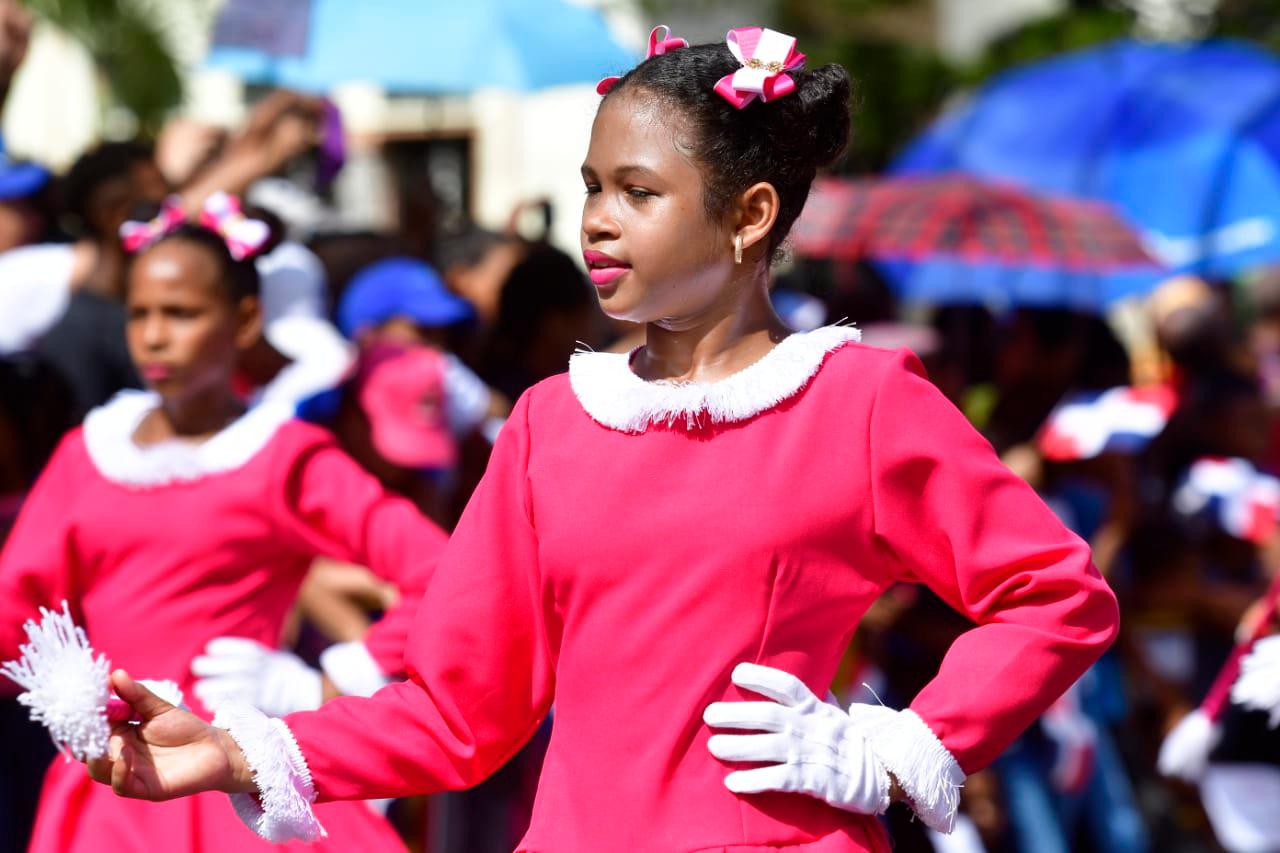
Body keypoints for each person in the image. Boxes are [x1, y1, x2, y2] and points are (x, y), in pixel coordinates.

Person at [88, 27, 1118, 851]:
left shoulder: (854, 401)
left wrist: (895, 747)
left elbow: (1052, 596)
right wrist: (228, 748)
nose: (596, 220)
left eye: (636, 191)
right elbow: (458, 711)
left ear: (748, 214)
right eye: (589, 186)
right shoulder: (548, 423)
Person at [0, 198, 448, 851]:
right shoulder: (90, 451)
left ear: (243, 319)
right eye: (140, 313)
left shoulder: (279, 454)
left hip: (231, 773)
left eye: (180, 313)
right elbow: (14, 614)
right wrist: (67, 697)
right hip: (113, 783)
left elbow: (444, 574)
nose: (154, 335)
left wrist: (329, 678)